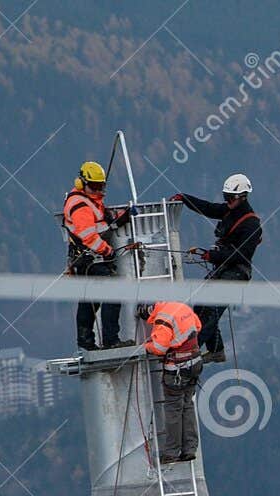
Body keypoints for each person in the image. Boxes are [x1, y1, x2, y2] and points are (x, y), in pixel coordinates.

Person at [173, 174, 263, 360]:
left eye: (231, 198)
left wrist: (212, 255)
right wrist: (185, 198)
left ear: (243, 197)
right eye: (225, 197)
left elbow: (242, 253)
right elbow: (207, 208)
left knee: (210, 312)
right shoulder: (229, 211)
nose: (227, 201)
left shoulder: (251, 224)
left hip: (237, 274)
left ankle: (191, 351)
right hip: (224, 270)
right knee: (200, 306)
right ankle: (216, 350)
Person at [63, 161, 133, 349]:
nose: (98, 189)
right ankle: (110, 340)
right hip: (89, 259)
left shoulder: (89, 201)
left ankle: (86, 341)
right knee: (111, 293)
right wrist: (107, 250)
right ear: (82, 183)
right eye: (94, 186)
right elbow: (88, 236)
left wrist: (122, 216)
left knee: (90, 300)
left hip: (87, 260)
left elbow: (103, 222)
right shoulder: (80, 205)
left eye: (101, 186)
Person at [139, 300, 204, 464]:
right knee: (187, 405)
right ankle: (189, 448)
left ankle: (172, 452)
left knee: (173, 410)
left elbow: (160, 348)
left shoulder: (162, 320)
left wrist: (146, 346)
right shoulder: (180, 307)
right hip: (195, 362)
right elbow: (197, 326)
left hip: (177, 369)